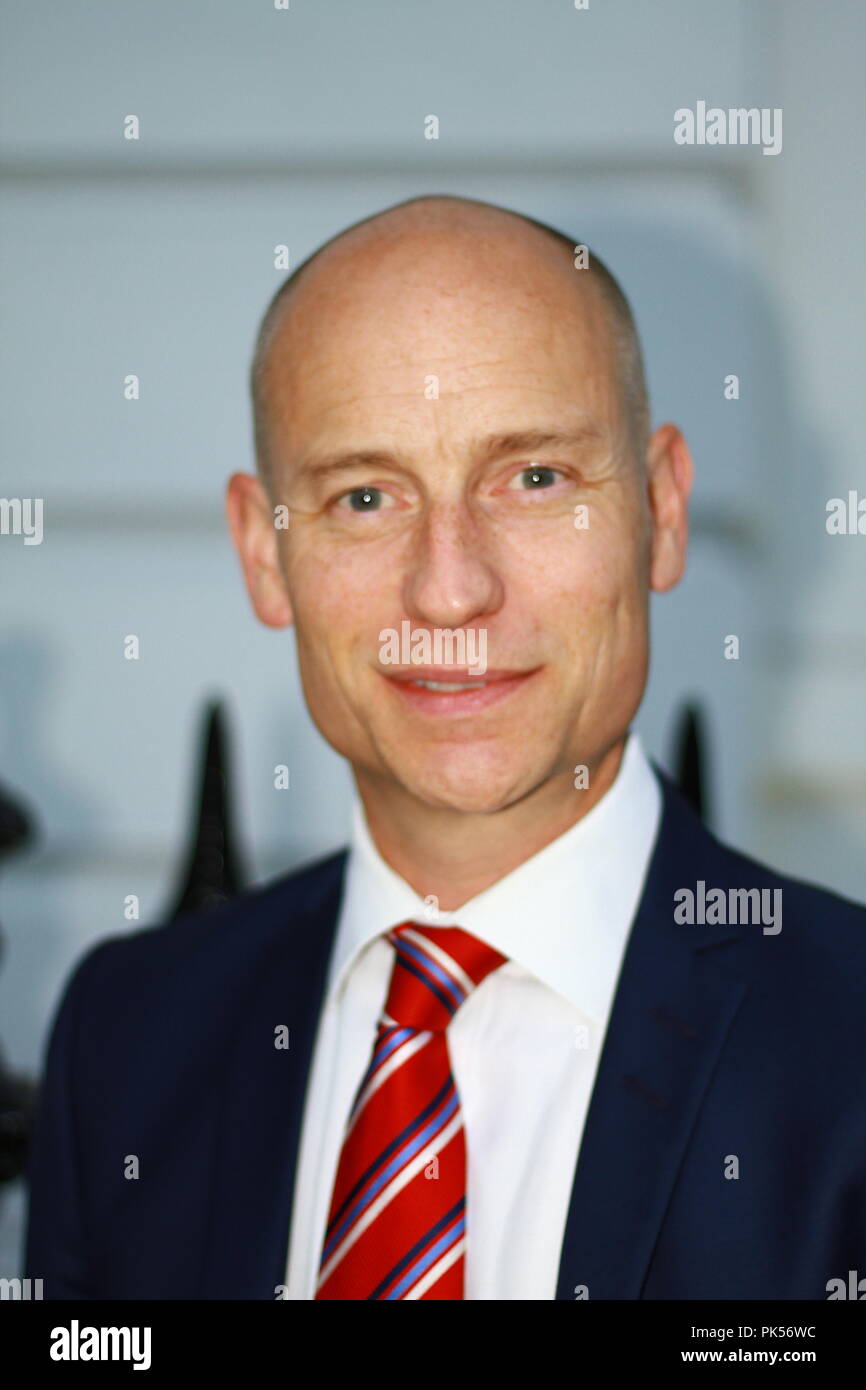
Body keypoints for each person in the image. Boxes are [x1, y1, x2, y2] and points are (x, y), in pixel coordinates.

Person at [24, 196, 866, 1300]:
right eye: (364, 497)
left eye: (533, 478)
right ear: (262, 549)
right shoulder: (129, 1036)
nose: (450, 587)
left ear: (659, 509)